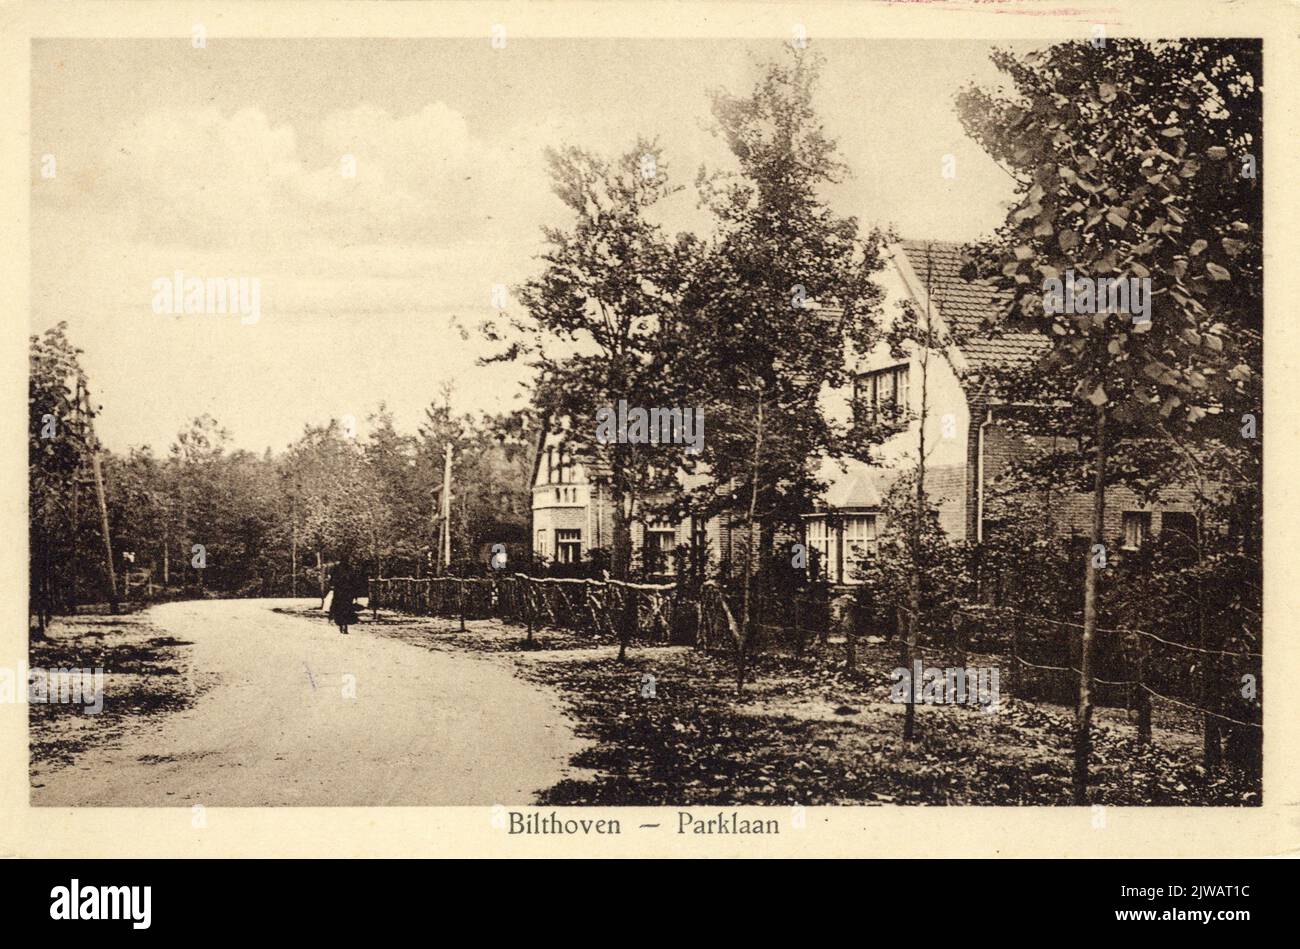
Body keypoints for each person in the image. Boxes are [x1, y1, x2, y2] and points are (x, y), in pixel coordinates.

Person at [327, 555, 360, 635]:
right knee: (346, 608)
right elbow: (355, 581)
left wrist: (332, 585)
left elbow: (332, 579)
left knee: (338, 607)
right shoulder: (350, 568)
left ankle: (340, 623)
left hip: (340, 591)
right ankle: (344, 625)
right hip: (348, 592)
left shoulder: (337, 568)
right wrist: (355, 593)